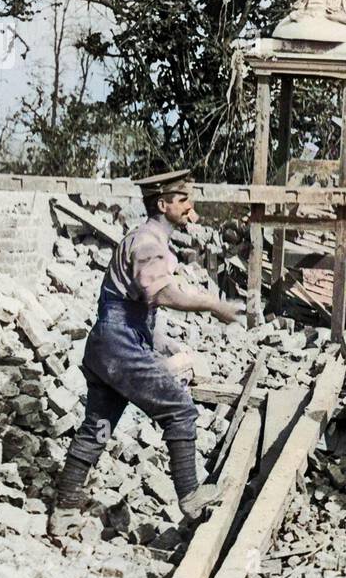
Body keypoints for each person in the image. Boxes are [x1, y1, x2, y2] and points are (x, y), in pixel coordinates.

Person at [49, 172, 242, 536]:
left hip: (110, 342)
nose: (190, 206)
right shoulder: (148, 243)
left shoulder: (145, 240)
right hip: (119, 342)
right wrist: (213, 305)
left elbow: (129, 304)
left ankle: (64, 510)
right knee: (179, 409)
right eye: (182, 199)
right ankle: (190, 496)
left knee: (98, 427)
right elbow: (163, 295)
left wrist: (161, 341)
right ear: (162, 204)